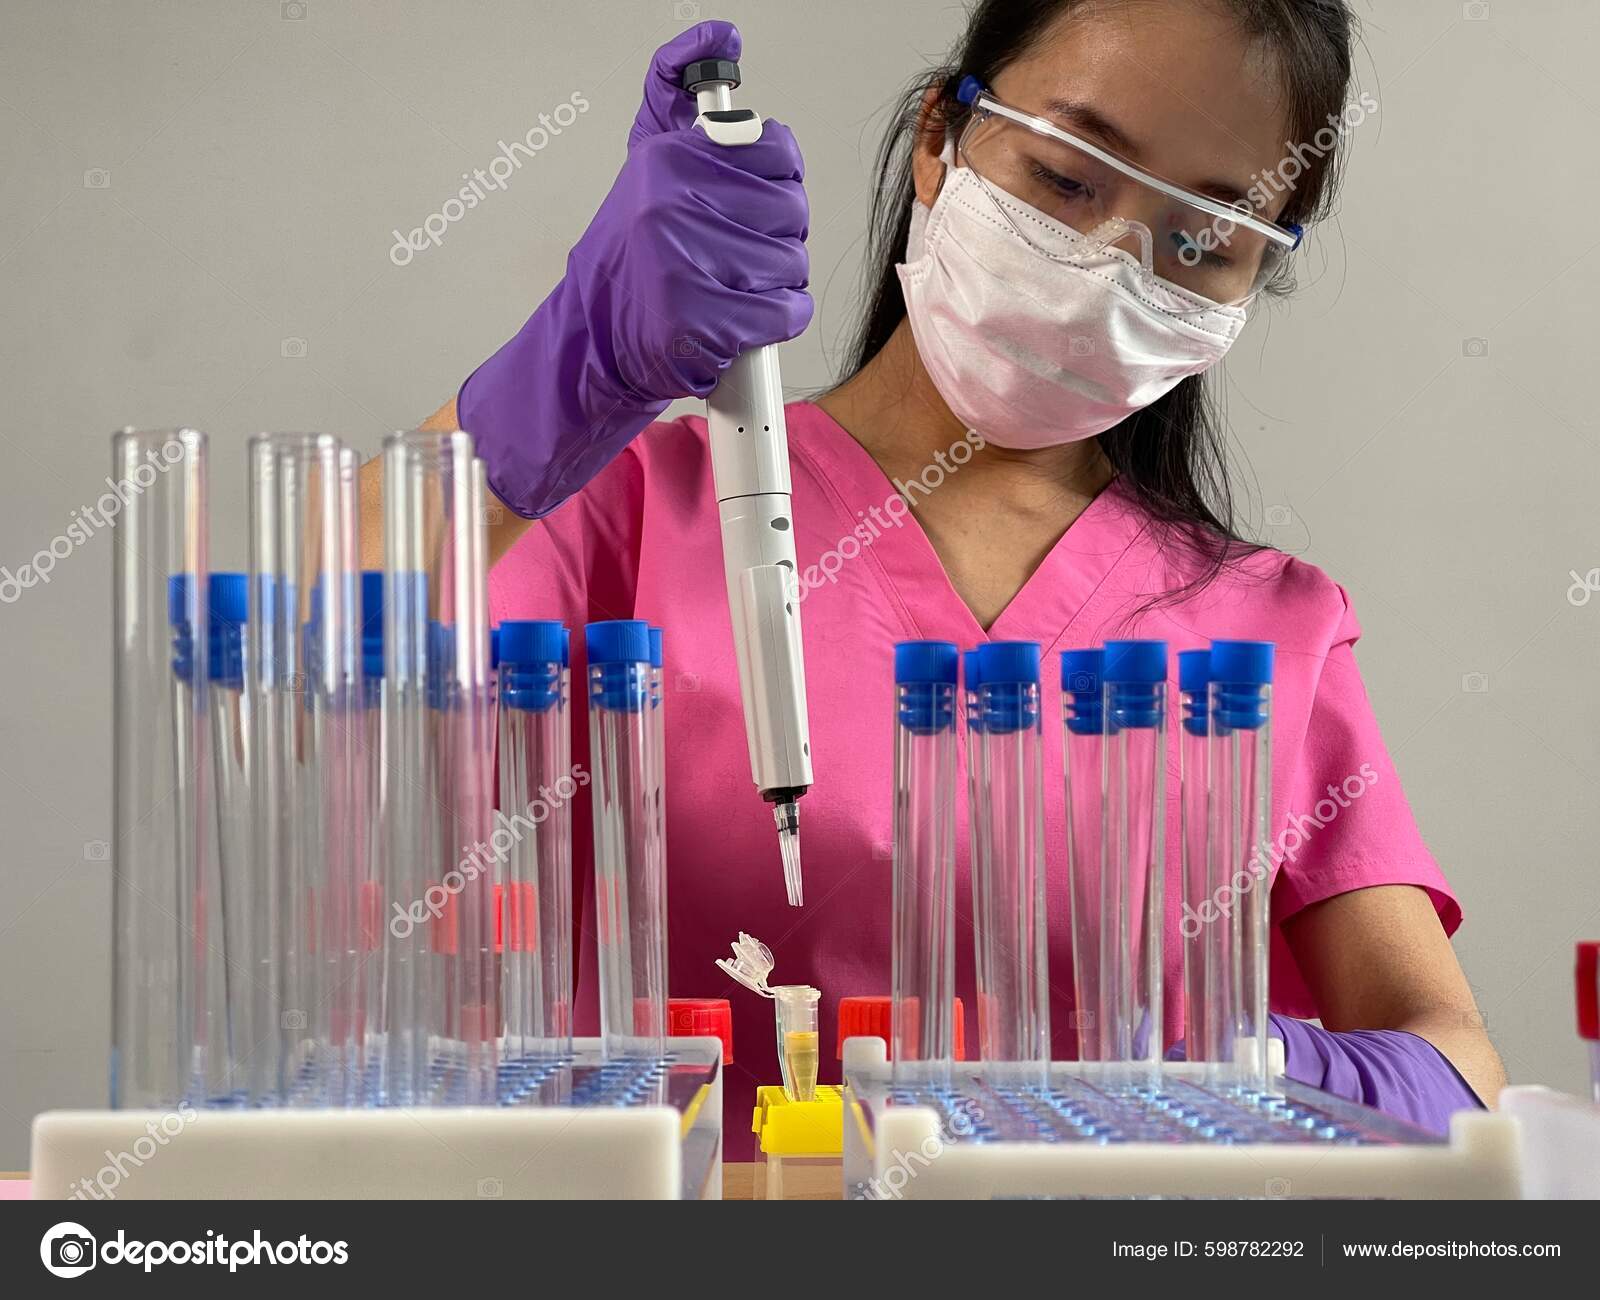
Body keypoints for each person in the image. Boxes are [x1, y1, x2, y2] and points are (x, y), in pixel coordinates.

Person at [360, 6, 1504, 1156]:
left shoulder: (1267, 626)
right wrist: (566, 370)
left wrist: (1247, 1061)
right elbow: (293, 660)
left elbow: (1451, 1065)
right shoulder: (630, 511)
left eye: (1202, 239)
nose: (1111, 264)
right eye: (1065, 177)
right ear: (937, 139)